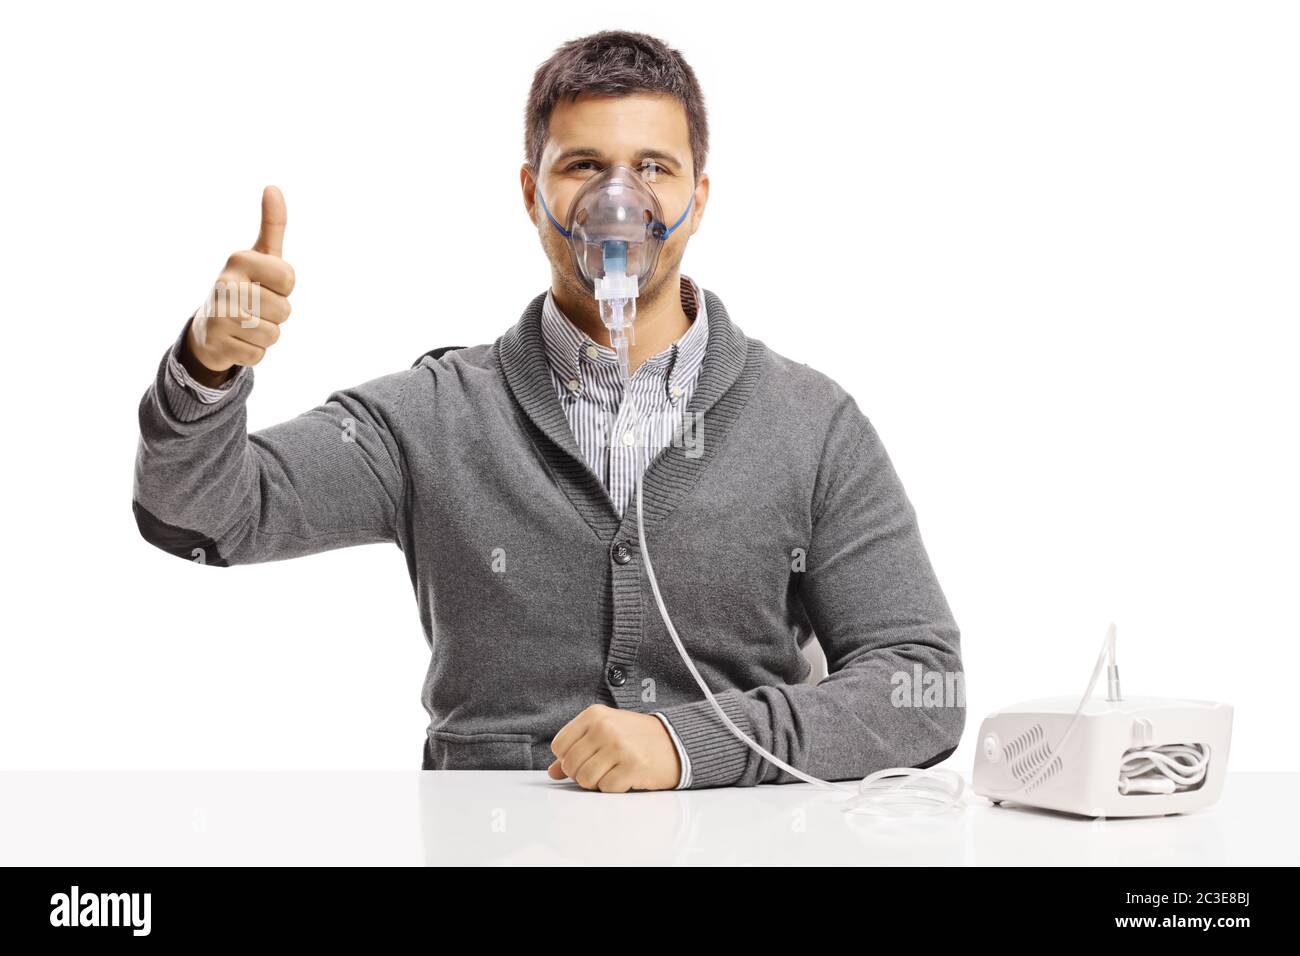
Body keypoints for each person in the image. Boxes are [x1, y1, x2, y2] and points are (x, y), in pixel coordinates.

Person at [134, 29, 965, 792]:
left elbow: (923, 686)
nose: (619, 198)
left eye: (653, 167)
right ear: (532, 193)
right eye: (582, 166)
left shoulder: (811, 425)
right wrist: (207, 367)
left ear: (698, 197)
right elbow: (202, 517)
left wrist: (690, 746)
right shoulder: (432, 419)